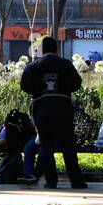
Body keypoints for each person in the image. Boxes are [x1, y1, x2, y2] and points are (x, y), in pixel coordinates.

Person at [19, 36, 88, 189]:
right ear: (56, 49)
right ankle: (76, 181)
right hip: (63, 110)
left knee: (47, 147)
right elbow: (76, 84)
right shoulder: (65, 64)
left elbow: (25, 86)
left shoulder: (34, 66)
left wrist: (38, 91)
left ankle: (51, 181)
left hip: (42, 111)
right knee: (68, 148)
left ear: (42, 50)